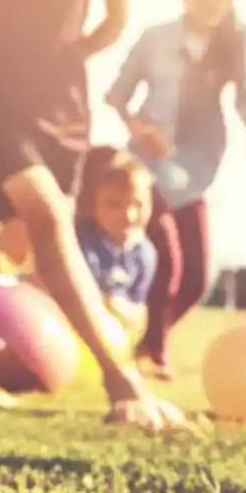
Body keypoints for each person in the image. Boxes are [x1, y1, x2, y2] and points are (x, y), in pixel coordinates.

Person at [0, 0, 181, 428]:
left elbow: (114, 21)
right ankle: (121, 380)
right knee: (49, 216)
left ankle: (25, 348)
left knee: (48, 237)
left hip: (62, 105)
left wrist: (64, 57)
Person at [103, 0, 246, 381]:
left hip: (196, 166)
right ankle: (154, 352)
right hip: (149, 164)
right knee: (168, 260)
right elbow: (117, 95)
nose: (214, 1)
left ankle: (142, 341)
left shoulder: (236, 40)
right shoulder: (155, 39)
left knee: (196, 274)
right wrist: (140, 128)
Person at [75, 146, 158, 346]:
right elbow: (76, 295)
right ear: (93, 204)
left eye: (138, 204)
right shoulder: (81, 242)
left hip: (114, 337)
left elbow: (138, 309)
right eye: (113, 204)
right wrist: (108, 304)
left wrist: (126, 313)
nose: (128, 215)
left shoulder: (144, 254)